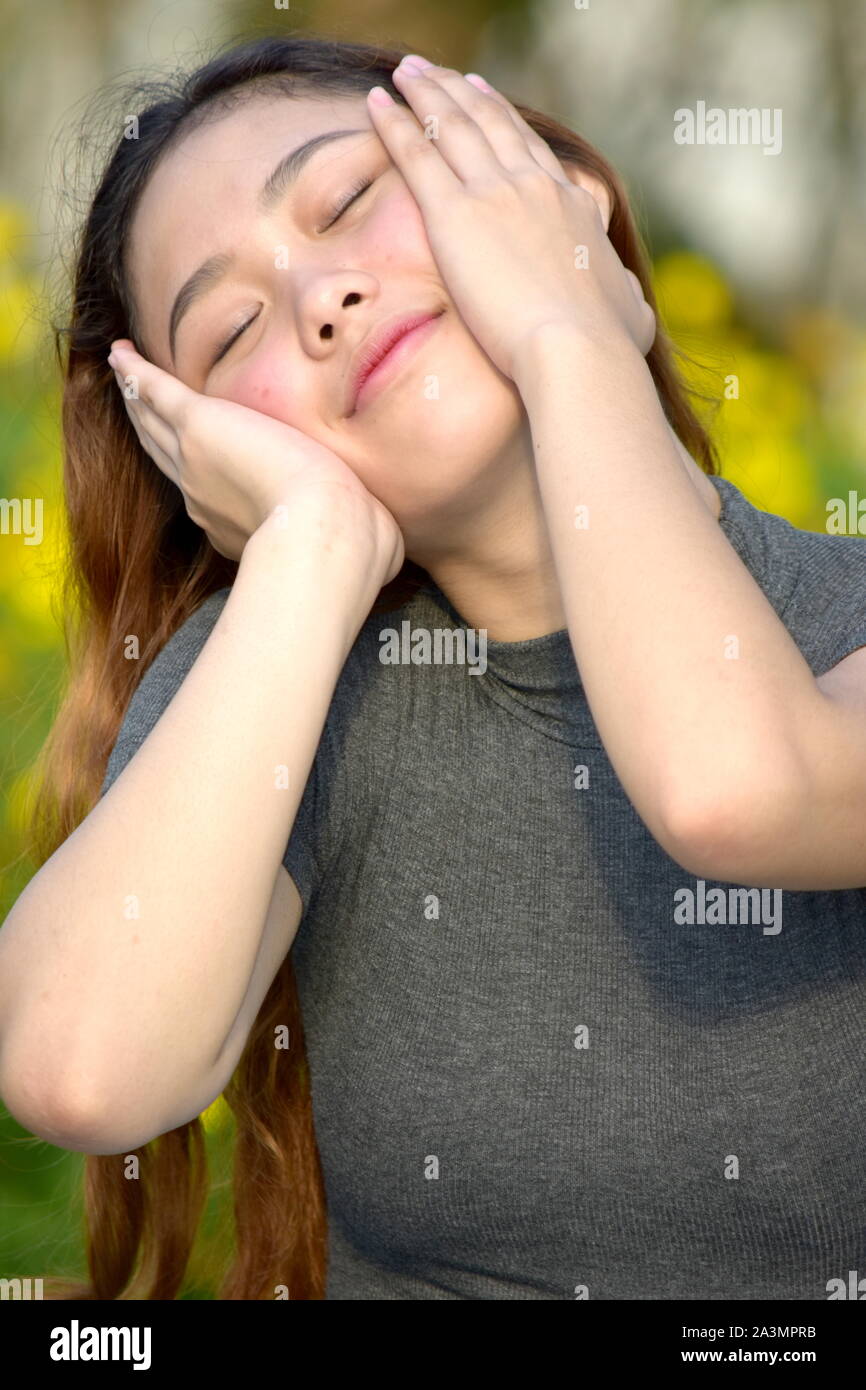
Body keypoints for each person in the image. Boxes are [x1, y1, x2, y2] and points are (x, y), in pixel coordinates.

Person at [1, 31, 865, 1302]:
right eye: (232, 331)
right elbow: (81, 1068)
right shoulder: (284, 690)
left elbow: (733, 788)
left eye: (348, 198)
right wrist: (310, 550)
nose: (319, 301)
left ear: (557, 188)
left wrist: (569, 331)